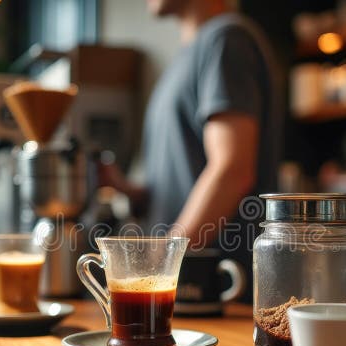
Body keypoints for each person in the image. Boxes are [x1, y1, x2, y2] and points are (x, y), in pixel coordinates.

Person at [100, 0, 283, 254]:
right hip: (184, 271)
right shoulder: (187, 57)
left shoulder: (227, 39)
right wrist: (124, 188)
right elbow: (180, 182)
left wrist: (163, 258)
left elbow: (232, 171)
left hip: (219, 273)